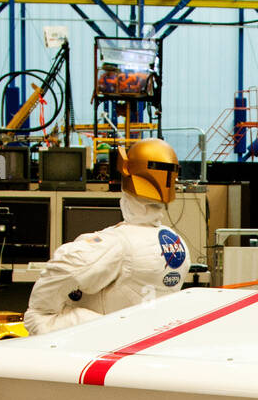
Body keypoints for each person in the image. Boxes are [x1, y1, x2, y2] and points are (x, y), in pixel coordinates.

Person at [23, 138, 190, 335]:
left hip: (107, 341)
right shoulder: (178, 243)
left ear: (128, 177)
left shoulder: (117, 243)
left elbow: (64, 268)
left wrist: (40, 311)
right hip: (149, 338)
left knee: (37, 316)